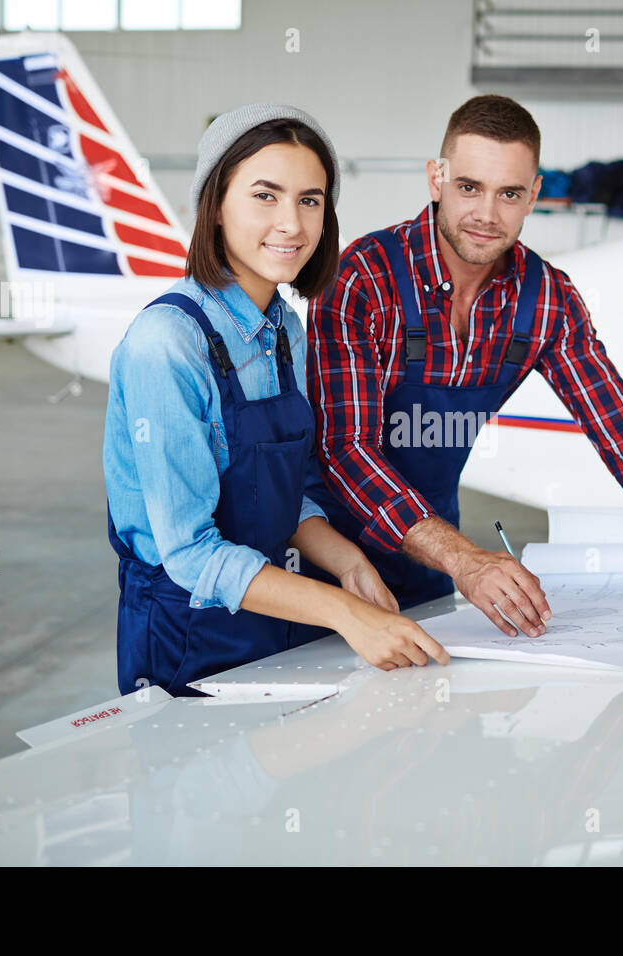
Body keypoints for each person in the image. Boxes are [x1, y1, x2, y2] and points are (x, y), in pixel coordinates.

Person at [303, 95, 623, 640]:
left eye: (510, 194)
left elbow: (621, 428)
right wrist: (468, 562)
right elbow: (346, 449)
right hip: (327, 560)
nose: (486, 214)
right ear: (437, 179)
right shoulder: (363, 279)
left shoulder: (545, 298)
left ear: (535, 196)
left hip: (430, 564)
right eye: (469, 187)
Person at [103, 104, 447, 697]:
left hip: (270, 611)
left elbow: (282, 501)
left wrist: (348, 564)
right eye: (265, 196)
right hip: (186, 629)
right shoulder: (166, 346)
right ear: (213, 207)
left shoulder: (284, 330)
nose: (292, 224)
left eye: (310, 200)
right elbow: (188, 553)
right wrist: (341, 610)